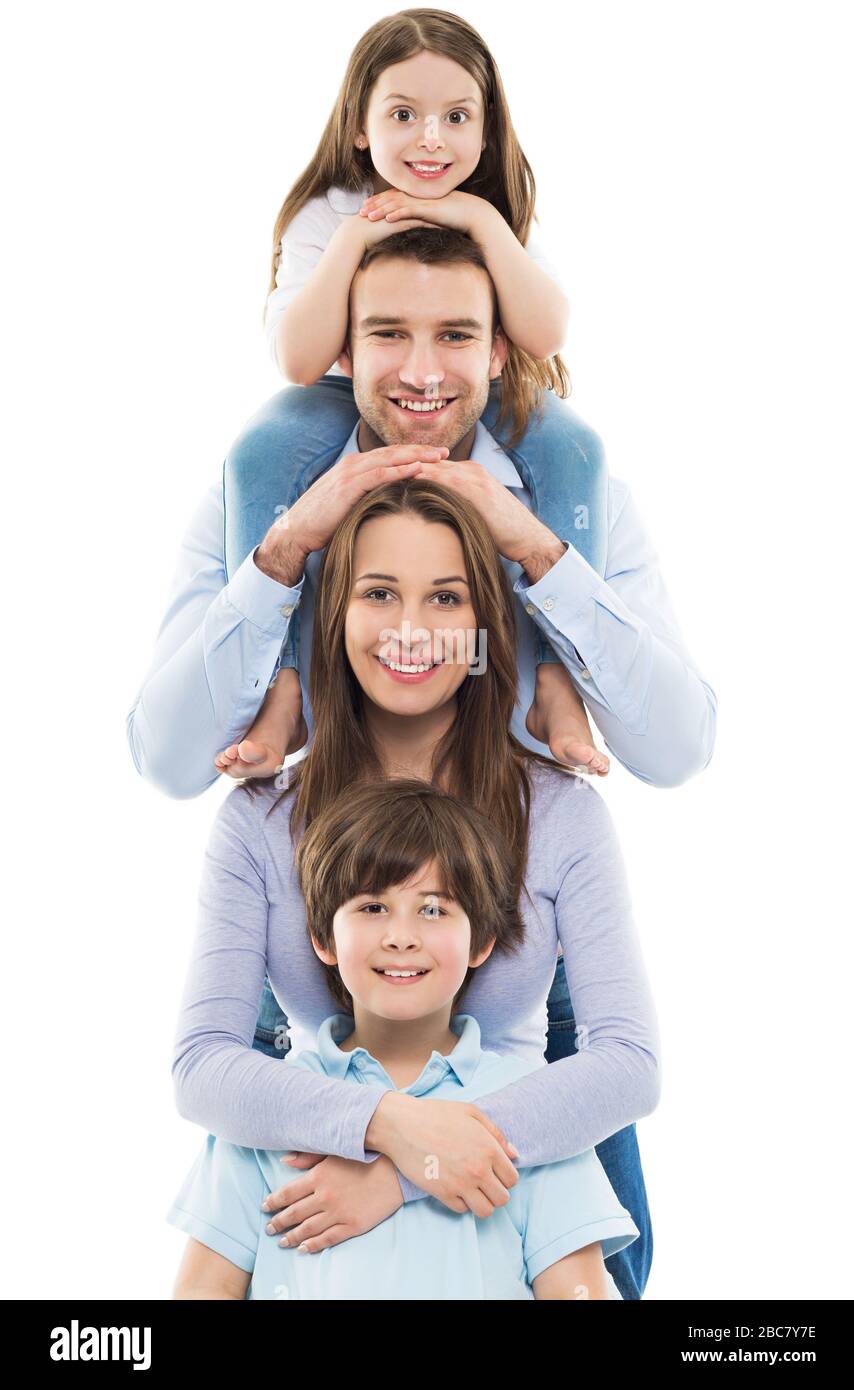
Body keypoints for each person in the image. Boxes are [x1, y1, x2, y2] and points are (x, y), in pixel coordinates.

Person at [171, 471, 661, 1298]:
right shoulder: (258, 820)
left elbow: (629, 1065)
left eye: (445, 599)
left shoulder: (560, 813)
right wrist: (386, 1128)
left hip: (521, 1172)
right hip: (318, 1154)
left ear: (482, 625)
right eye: (378, 593)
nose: (411, 629)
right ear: (335, 617)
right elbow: (203, 1064)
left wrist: (406, 1171)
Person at [126, 225, 716, 799]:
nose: (422, 374)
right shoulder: (254, 509)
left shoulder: (587, 506)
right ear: (345, 354)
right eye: (388, 334)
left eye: (456, 336)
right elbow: (169, 765)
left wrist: (543, 556)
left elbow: (676, 752)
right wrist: (281, 556)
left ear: (497, 354)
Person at [223, 8, 614, 777]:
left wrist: (478, 221)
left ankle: (555, 676)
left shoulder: (490, 210)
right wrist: (354, 242)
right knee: (262, 447)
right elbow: (302, 361)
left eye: (455, 117)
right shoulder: (327, 214)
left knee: (575, 445)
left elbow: (545, 334)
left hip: (473, 386)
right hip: (356, 392)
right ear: (361, 126)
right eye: (404, 114)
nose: (430, 138)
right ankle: (284, 685)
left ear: (486, 130)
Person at [167, 778, 640, 1300]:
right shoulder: (265, 1113)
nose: (401, 935)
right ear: (323, 938)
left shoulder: (537, 1111)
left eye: (433, 909)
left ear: (481, 941)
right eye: (372, 907)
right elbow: (203, 1289)